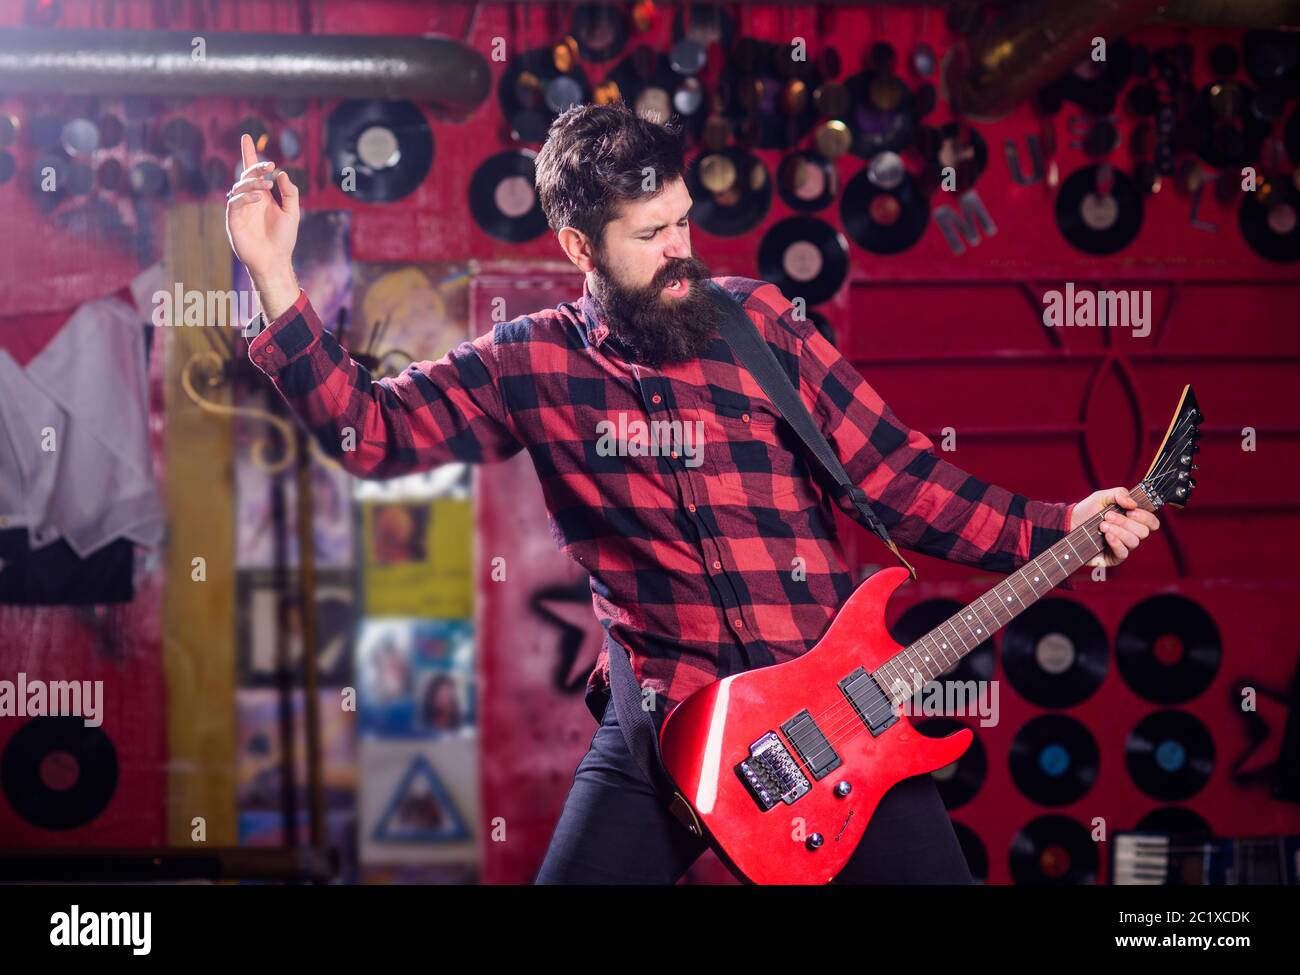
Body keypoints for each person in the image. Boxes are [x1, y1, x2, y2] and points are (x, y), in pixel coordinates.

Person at [225, 103, 1158, 885]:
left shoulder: (762, 323)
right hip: (671, 736)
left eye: (681, 222)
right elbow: (372, 430)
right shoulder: (528, 359)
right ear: (577, 244)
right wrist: (272, 273)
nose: (680, 250)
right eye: (650, 235)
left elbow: (896, 475)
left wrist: (1057, 525)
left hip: (838, 726)